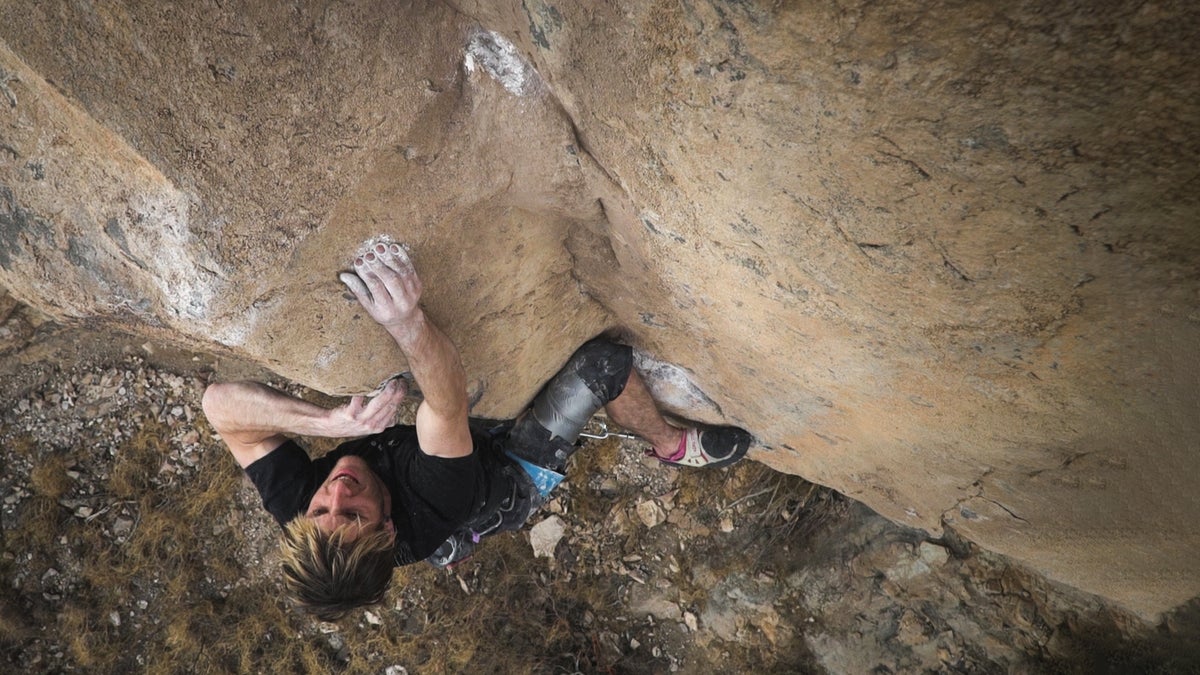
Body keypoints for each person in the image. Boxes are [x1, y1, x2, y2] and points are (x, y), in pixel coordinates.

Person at [201, 242, 752, 621]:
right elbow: (445, 405)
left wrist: (327, 423)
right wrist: (406, 323)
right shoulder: (434, 500)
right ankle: (669, 445)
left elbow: (220, 409)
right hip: (508, 476)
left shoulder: (307, 522)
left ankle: (451, 544)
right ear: (387, 532)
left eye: (323, 509)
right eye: (354, 514)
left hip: (439, 478)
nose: (338, 490)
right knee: (604, 365)